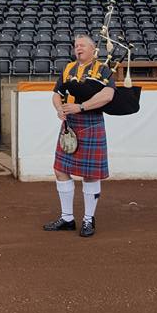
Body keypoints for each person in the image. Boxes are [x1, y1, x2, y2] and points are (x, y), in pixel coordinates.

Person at [43, 34, 115, 238]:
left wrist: (80, 106)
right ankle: (67, 218)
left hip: (91, 123)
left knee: (90, 174)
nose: (78, 48)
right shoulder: (68, 68)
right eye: (76, 46)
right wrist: (60, 109)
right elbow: (56, 93)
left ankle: (88, 219)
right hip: (70, 124)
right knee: (60, 170)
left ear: (93, 50)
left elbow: (107, 95)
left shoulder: (103, 69)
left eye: (82, 45)